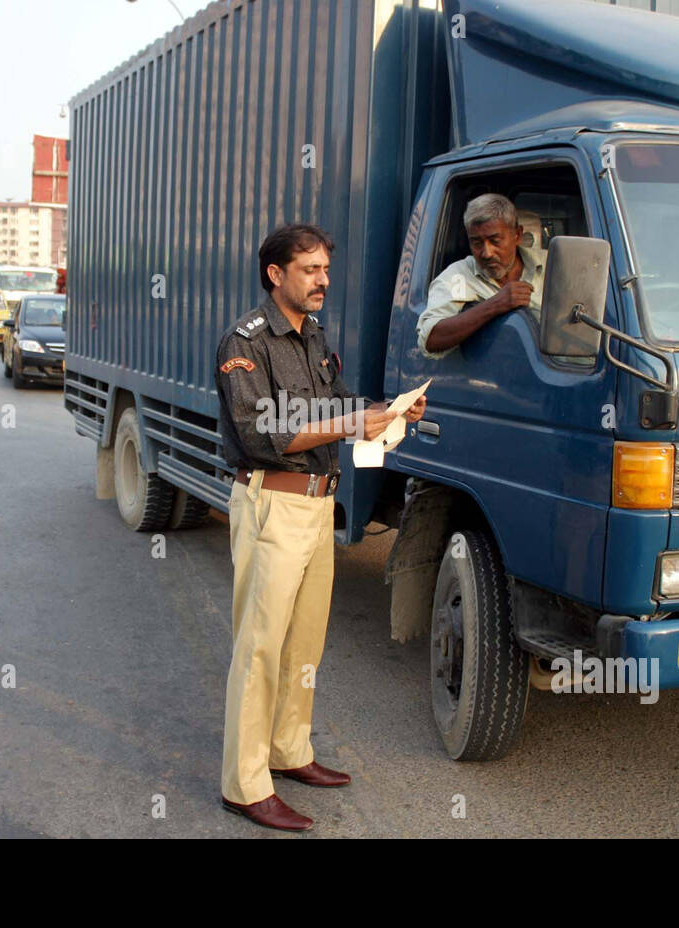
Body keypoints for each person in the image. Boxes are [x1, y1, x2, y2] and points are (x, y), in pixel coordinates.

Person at [214, 223, 426, 832]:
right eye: (310, 270)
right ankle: (245, 783)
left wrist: (387, 409)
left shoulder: (314, 336)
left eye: (325, 270)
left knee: (303, 642)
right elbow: (266, 434)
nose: (323, 281)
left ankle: (289, 749)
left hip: (316, 506)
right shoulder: (245, 342)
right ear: (275, 274)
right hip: (272, 506)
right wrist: (351, 422)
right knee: (259, 647)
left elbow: (334, 404)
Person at [416, 193, 543, 359]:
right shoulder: (459, 277)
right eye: (476, 242)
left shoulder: (552, 264)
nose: (487, 253)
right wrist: (496, 304)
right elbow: (430, 339)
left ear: (517, 235)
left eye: (495, 241)